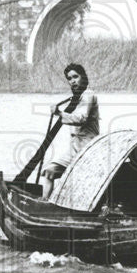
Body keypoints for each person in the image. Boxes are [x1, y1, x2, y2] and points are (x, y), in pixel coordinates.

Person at [41, 63, 99, 199]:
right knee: (49, 171)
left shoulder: (88, 95)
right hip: (75, 148)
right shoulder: (78, 97)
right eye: (69, 78)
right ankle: (45, 202)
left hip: (87, 148)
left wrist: (59, 113)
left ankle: (49, 202)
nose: (72, 81)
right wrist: (61, 113)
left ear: (83, 77)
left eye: (75, 77)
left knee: (77, 180)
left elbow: (81, 118)